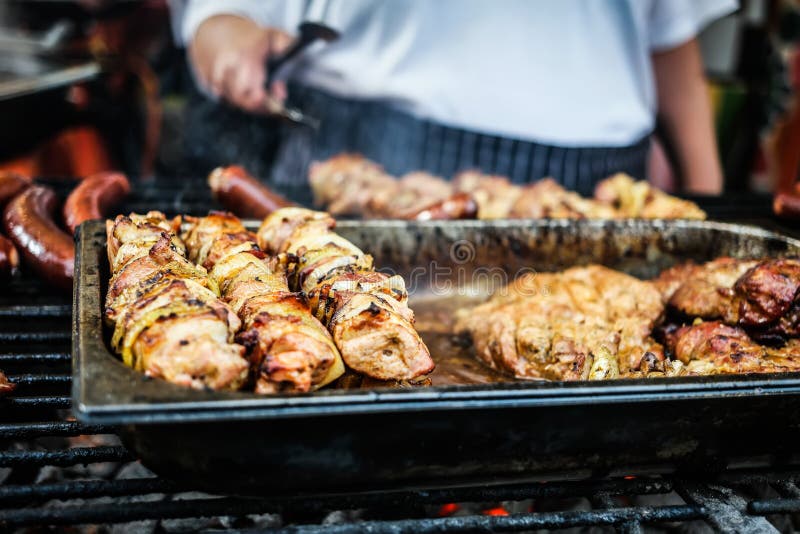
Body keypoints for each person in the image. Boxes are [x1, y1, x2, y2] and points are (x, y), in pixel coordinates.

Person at [174, 0, 736, 195]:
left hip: (600, 184)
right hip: (358, 163)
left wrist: (706, 192)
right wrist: (220, 25)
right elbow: (218, 14)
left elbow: (669, 30)